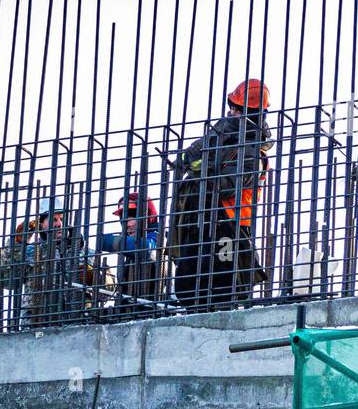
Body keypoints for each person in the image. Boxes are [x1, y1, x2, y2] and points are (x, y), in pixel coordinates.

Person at [168, 79, 272, 312]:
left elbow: (225, 186)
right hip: (198, 220)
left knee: (221, 283)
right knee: (187, 281)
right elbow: (184, 161)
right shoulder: (217, 137)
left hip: (228, 224)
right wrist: (191, 159)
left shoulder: (253, 153)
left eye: (238, 109)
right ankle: (196, 315)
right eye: (231, 106)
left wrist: (201, 166)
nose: (231, 112)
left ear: (252, 113)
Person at [0, 196, 97, 329]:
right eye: (53, 219)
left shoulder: (87, 253)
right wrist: (16, 244)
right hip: (36, 325)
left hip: (80, 324)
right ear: (41, 224)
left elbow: (111, 288)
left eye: (61, 219)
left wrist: (95, 277)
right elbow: (7, 281)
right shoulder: (30, 252)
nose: (59, 223)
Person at [98, 191, 162, 318]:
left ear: (147, 215)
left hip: (152, 314)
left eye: (132, 217)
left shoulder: (159, 237)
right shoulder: (128, 249)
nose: (127, 224)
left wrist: (109, 242)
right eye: (124, 219)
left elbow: (146, 249)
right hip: (129, 314)